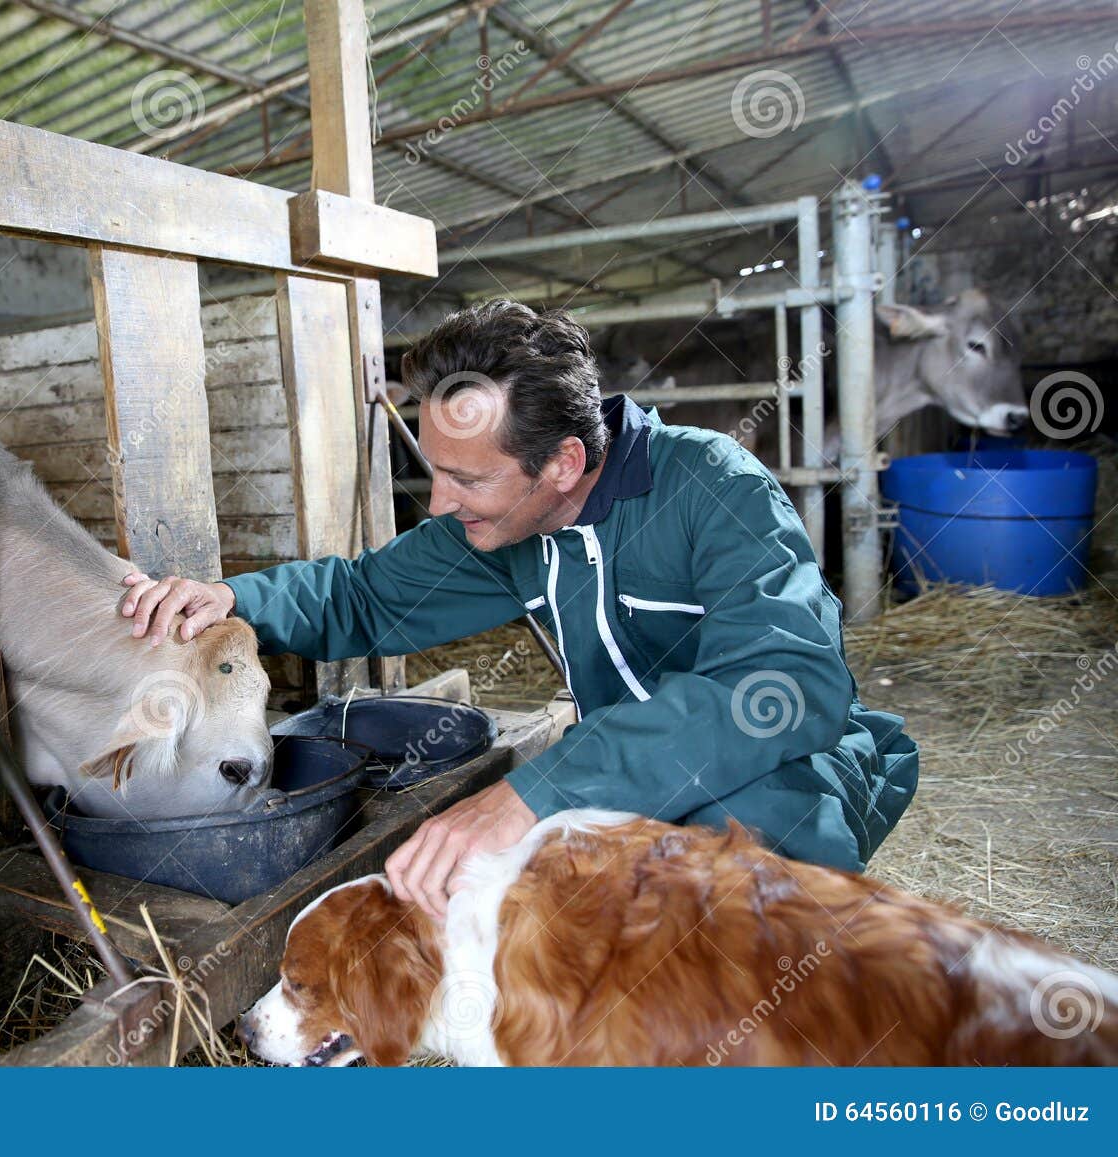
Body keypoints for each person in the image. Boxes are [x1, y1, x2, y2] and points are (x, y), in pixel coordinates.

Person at [118, 301, 918, 920]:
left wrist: (537, 791)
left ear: (565, 462)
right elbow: (361, 594)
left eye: (467, 478)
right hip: (617, 778)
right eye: (435, 470)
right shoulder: (509, 524)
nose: (439, 500)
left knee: (734, 885)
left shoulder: (713, 484)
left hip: (778, 767)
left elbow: (787, 685)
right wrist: (233, 597)